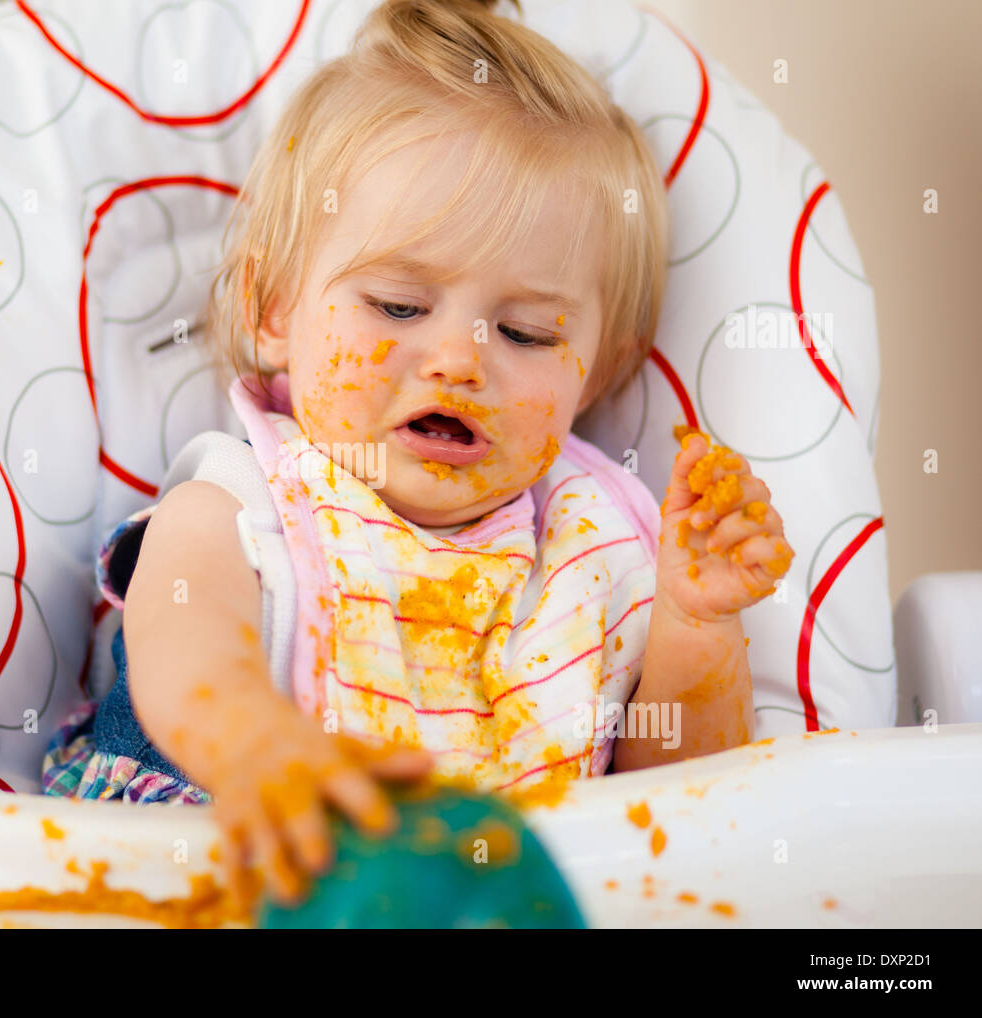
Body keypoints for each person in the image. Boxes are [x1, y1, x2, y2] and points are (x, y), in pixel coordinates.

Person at [42, 0, 793, 907]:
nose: (459, 360)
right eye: (398, 307)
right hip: (229, 880)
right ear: (272, 313)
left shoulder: (596, 549)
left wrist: (697, 624)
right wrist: (260, 751)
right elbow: (183, 656)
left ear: (598, 369)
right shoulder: (244, 504)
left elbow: (686, 812)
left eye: (524, 332)